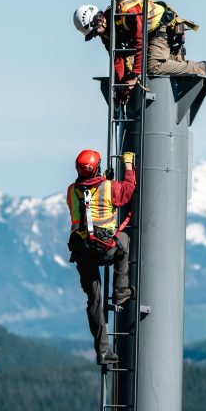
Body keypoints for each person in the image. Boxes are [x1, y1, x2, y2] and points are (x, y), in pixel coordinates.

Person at [66, 148, 137, 365]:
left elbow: (88, 199)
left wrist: (101, 180)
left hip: (82, 253)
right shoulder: (109, 188)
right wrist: (127, 166)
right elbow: (127, 190)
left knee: (94, 299)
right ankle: (120, 290)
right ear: (96, 167)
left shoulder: (71, 191)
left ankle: (103, 351)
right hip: (105, 250)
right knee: (124, 239)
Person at [73, 0, 206, 93]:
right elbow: (117, 58)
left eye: (95, 31)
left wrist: (134, 77)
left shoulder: (126, 13)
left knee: (152, 67)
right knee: (133, 68)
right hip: (148, 34)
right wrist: (121, 88)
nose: (96, 35)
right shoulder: (106, 33)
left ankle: (198, 68)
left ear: (99, 20)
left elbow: (140, 42)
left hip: (161, 27)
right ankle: (173, 59)